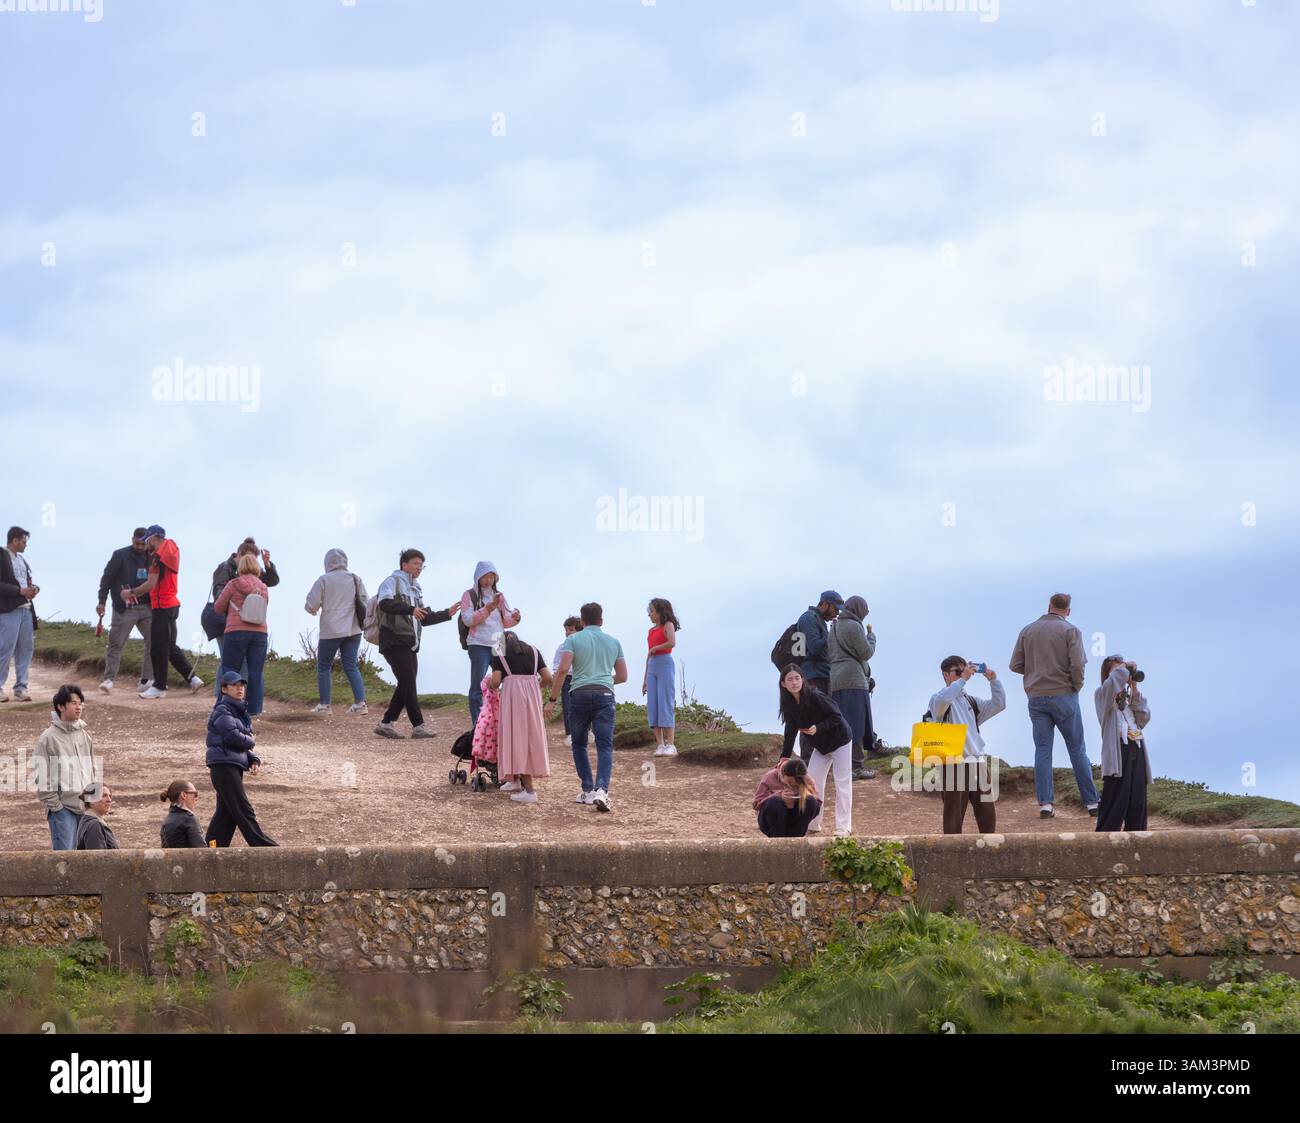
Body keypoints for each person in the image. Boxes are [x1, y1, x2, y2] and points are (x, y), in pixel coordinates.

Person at [1009, 593, 1100, 819]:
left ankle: (1046, 804)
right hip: (1064, 695)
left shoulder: (1027, 630)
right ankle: (1091, 803)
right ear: (1068, 611)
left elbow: (1015, 665)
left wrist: (1035, 672)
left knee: (1042, 750)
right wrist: (1076, 686)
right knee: (1077, 749)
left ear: (1049, 606)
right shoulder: (1071, 631)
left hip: (1036, 697)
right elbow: (1077, 664)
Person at [544, 602, 627, 812]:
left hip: (578, 694)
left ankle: (588, 790)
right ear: (601, 620)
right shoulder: (614, 642)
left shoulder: (572, 640)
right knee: (604, 745)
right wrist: (604, 681)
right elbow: (623, 676)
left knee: (579, 744)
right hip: (605, 695)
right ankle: (602, 790)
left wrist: (552, 699)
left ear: (582, 621)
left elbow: (563, 670)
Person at [374, 549, 459, 739]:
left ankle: (386, 723)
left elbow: (423, 619)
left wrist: (447, 613)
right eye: (415, 563)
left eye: (421, 565)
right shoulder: (392, 581)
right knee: (408, 682)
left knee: (406, 683)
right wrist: (411, 609)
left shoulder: (416, 588)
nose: (419, 568)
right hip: (393, 638)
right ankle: (418, 726)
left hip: (409, 642)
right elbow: (385, 604)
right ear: (404, 564)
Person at [927, 657, 1007, 835]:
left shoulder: (970, 701)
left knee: (988, 816)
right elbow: (944, 700)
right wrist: (963, 679)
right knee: (953, 818)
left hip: (978, 762)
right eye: (958, 672)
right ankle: (951, 858)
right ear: (946, 675)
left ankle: (990, 855)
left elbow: (999, 705)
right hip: (953, 764)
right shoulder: (938, 699)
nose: (964, 675)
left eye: (965, 671)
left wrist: (993, 680)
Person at [777, 664, 854, 836]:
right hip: (821, 746)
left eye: (797, 678)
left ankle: (843, 827)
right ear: (783, 684)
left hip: (840, 740)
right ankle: (812, 824)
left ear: (803, 679)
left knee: (842, 782)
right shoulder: (789, 706)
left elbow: (836, 716)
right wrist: (784, 757)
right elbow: (790, 733)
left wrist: (818, 728)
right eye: (790, 679)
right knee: (812, 782)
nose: (794, 682)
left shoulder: (815, 696)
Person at [129, 525, 204, 698]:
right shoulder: (171, 550)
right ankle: (192, 678)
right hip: (172, 604)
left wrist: (131, 593)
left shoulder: (157, 559)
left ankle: (159, 687)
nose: (146, 545)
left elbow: (150, 584)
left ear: (156, 538)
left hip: (162, 606)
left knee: (158, 648)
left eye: (148, 541)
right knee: (169, 646)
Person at [205, 671, 277, 847]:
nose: (240, 688)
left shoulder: (238, 712)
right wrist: (251, 741)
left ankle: (212, 849)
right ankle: (266, 849)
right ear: (224, 689)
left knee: (226, 814)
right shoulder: (223, 710)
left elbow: (237, 744)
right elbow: (232, 737)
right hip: (224, 767)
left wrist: (253, 759)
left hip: (229, 766)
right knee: (243, 811)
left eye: (242, 685)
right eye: (234, 685)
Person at [210, 538, 280, 698]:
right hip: (229, 623)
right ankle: (229, 701)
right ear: (239, 555)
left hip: (238, 625)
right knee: (235, 665)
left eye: (255, 560)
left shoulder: (241, 578)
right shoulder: (225, 568)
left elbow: (273, 580)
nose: (252, 562)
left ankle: (224, 702)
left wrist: (268, 565)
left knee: (230, 665)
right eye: (249, 558)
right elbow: (218, 595)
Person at [31, 684, 98, 851]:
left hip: (85, 807)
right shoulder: (48, 738)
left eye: (80, 703)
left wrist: (93, 801)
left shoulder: (84, 735)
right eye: (74, 703)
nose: (79, 707)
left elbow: (93, 769)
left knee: (85, 857)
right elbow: (40, 774)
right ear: (61, 706)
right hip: (63, 810)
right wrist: (55, 806)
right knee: (64, 860)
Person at [490, 631, 553, 804]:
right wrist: (533, 686)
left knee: (516, 738)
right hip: (532, 695)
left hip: (512, 696)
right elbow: (548, 677)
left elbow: (495, 681)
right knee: (531, 736)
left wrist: (490, 686)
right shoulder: (533, 650)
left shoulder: (499, 650)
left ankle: (530, 791)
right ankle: (515, 781)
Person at [304, 548, 368, 716]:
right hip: (353, 629)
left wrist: (313, 609)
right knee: (351, 666)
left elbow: (311, 605)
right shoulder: (355, 578)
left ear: (327, 563)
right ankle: (360, 704)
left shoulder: (324, 580)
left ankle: (325, 706)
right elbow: (365, 602)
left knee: (324, 666)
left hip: (330, 631)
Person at [1094, 656, 1152, 833]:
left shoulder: (1127, 700)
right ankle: (1104, 838)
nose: (1123, 673)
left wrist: (1134, 686)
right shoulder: (1102, 695)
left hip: (1136, 747)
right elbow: (1112, 684)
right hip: (1118, 752)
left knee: (1137, 799)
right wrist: (1124, 667)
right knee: (1116, 798)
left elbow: (1143, 718)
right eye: (1118, 670)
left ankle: (1137, 836)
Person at [461, 561, 521, 727]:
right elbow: (467, 620)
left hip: (498, 640)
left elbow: (504, 622)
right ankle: (478, 725)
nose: (488, 581)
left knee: (505, 680)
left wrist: (515, 619)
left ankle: (502, 721)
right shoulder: (469, 595)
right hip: (478, 642)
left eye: (491, 577)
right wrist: (487, 609)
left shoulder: (499, 596)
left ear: (496, 578)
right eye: (484, 577)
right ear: (477, 578)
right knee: (477, 685)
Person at [96, 527, 154, 695]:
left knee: (153, 641)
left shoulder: (152, 557)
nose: (140, 547)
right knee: (116, 643)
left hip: (146, 607)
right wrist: (102, 601)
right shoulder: (119, 555)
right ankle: (109, 679)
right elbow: (106, 578)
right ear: (132, 539)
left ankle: (146, 680)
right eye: (137, 543)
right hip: (124, 608)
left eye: (143, 544)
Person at [213, 551, 270, 718]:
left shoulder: (233, 583)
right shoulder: (263, 587)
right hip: (259, 633)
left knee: (230, 670)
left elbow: (218, 607)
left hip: (236, 631)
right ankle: (254, 710)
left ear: (241, 567)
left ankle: (223, 708)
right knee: (255, 672)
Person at [828, 595, 878, 781]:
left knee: (843, 723)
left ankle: (841, 765)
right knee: (856, 723)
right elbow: (866, 652)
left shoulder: (833, 627)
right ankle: (856, 767)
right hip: (854, 681)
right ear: (859, 609)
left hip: (835, 680)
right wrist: (871, 637)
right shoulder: (854, 625)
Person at [794, 591, 842, 758]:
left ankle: (819, 756)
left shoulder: (818, 619)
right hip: (812, 676)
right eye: (835, 608)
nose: (837, 613)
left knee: (823, 717)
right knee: (811, 717)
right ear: (825, 603)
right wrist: (833, 633)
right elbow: (814, 647)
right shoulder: (808, 618)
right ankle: (807, 759)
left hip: (822, 675)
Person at [0, 526, 38, 703]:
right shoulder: (1, 555)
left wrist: (33, 589)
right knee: (5, 649)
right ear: (14, 540)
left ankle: (21, 688)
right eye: (23, 541)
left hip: (26, 609)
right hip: (8, 609)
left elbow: (27, 581)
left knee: (26, 649)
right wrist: (20, 591)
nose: (25, 545)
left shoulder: (23, 560)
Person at [643, 598, 679, 757]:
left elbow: (672, 642)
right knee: (653, 705)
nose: (649, 614)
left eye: (651, 610)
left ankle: (671, 744)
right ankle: (660, 745)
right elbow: (649, 654)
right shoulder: (650, 631)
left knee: (665, 702)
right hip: (652, 666)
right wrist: (644, 679)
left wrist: (657, 647)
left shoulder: (668, 625)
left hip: (665, 663)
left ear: (659, 611)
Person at [753, 757, 822, 838]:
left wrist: (800, 798)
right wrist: (779, 796)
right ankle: (777, 841)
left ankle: (795, 840)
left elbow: (817, 806)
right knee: (775, 802)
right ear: (783, 774)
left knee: (811, 801)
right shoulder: (770, 777)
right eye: (789, 782)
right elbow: (756, 804)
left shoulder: (807, 779)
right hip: (772, 821)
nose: (790, 786)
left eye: (795, 785)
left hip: (795, 820)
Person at [553, 616, 583, 735]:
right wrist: (554, 682)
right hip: (566, 679)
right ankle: (570, 733)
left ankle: (587, 730)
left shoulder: (584, 646)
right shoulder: (562, 647)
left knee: (583, 705)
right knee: (568, 707)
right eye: (566, 630)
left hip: (581, 678)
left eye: (571, 629)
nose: (567, 633)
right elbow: (557, 666)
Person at [159, 780, 207, 847]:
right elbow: (202, 850)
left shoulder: (167, 820)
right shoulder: (189, 819)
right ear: (184, 795)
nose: (196, 798)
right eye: (195, 794)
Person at [75, 786, 119, 851]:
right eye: (104, 796)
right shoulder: (94, 825)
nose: (109, 800)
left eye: (110, 796)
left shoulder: (88, 820)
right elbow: (97, 858)